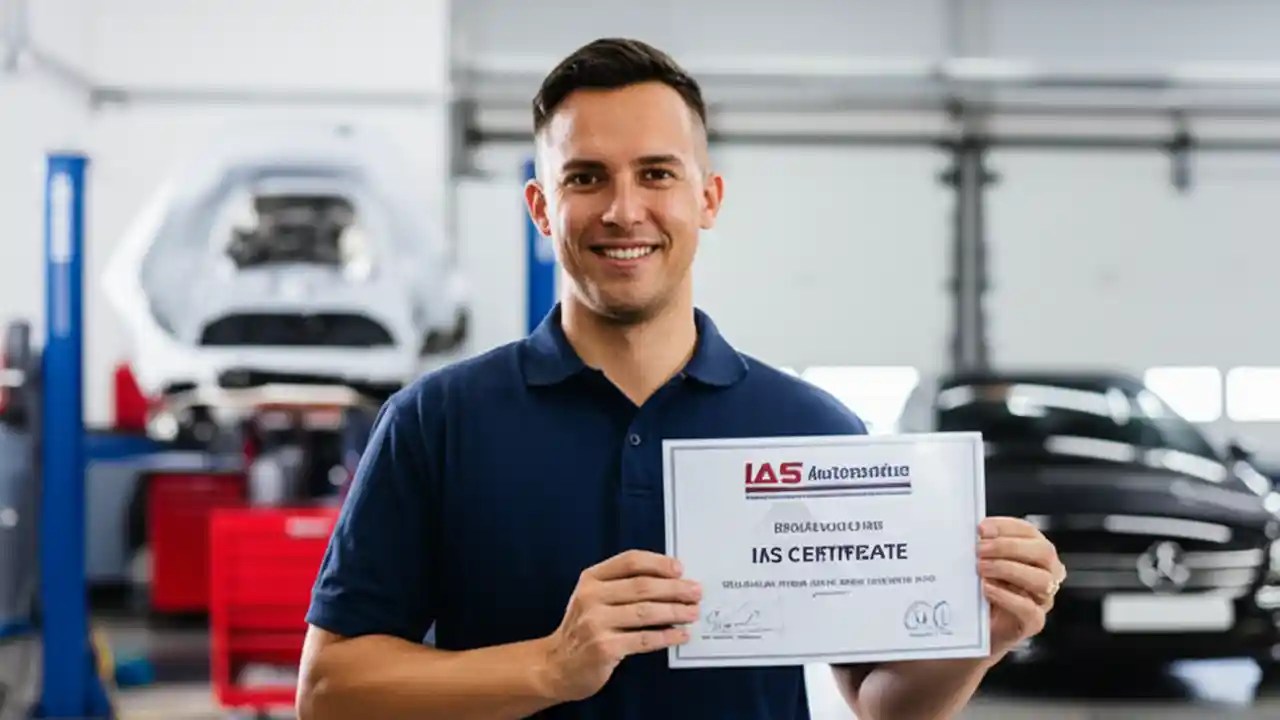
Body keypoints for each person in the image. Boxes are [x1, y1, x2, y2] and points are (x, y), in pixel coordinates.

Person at [295, 37, 1067, 720]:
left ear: (707, 199)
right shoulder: (435, 423)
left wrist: (982, 636)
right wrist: (549, 668)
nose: (623, 210)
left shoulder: (814, 430)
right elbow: (330, 693)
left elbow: (877, 703)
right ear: (540, 207)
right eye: (586, 178)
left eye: (657, 174)